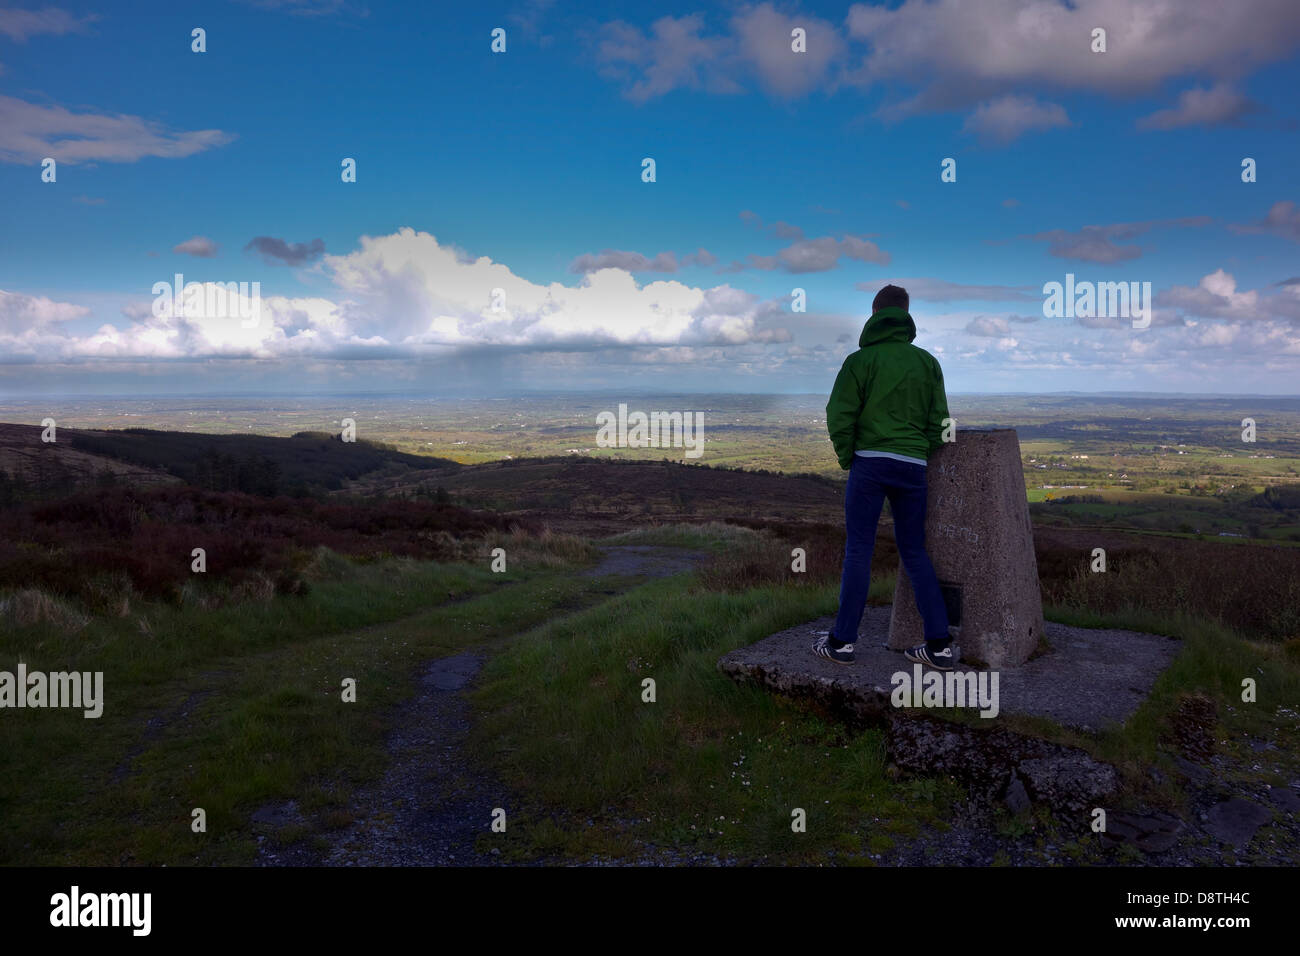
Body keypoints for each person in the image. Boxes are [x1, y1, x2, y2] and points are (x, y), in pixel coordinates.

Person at [813, 284, 955, 670]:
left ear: (874, 312)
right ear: (906, 313)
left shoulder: (859, 362)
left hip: (870, 465)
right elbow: (942, 422)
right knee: (914, 551)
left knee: (860, 549)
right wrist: (917, 451)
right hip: (913, 467)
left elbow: (838, 415)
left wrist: (848, 458)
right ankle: (939, 646)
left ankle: (842, 642)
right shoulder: (927, 362)